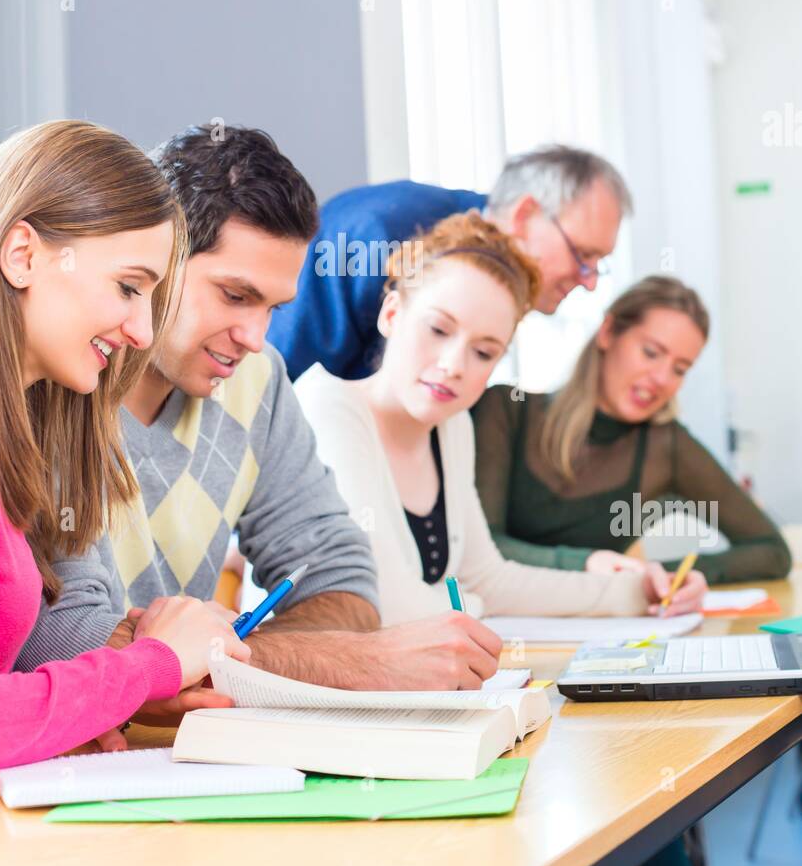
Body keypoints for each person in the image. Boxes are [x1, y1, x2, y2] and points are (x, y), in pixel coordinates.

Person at [19, 125, 504, 709]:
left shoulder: (258, 378)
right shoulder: (54, 381)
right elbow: (66, 641)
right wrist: (356, 662)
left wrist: (219, 660)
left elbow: (340, 576)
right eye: (234, 295)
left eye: (273, 307)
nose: (255, 337)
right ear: (158, 260)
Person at [0, 120, 250, 790]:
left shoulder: (3, 438)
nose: (140, 331)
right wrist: (149, 665)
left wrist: (102, 697)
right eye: (129, 287)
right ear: (22, 255)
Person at [293, 213, 705, 624]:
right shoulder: (328, 407)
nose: (454, 364)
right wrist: (471, 604)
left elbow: (488, 579)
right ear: (392, 314)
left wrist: (640, 592)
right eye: (438, 329)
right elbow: (389, 602)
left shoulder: (452, 427)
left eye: (484, 352)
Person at [472, 275, 791, 583]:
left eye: (680, 369)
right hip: (494, 624)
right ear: (608, 332)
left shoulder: (667, 446)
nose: (662, 379)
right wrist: (585, 564)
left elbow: (772, 552)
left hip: (593, 628)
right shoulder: (505, 409)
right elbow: (479, 551)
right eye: (651, 353)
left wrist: (664, 576)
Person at [268, 144, 631, 381]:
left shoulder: (503, 283)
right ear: (523, 215)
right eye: (582, 255)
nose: (590, 282)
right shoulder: (375, 233)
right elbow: (273, 382)